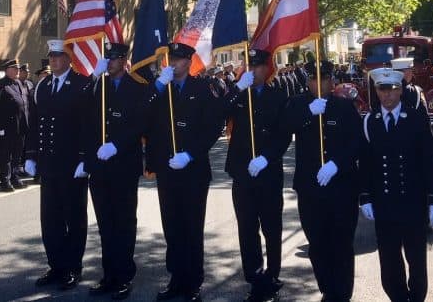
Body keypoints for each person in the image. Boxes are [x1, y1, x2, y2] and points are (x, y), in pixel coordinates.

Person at [145, 42, 223, 302]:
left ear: (189, 62)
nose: (173, 63)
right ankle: (176, 278)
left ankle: (193, 282)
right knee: (172, 226)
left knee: (191, 227)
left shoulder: (202, 88)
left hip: (193, 171)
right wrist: (157, 86)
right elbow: (141, 115)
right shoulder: (160, 89)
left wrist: (190, 153)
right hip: (167, 170)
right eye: (171, 59)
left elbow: (213, 127)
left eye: (178, 60)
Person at [359, 68, 433, 302]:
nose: (387, 96)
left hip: (413, 203)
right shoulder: (369, 122)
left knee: (416, 259)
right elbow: (365, 164)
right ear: (376, 91)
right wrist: (364, 196)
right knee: (389, 261)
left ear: (400, 90)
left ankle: (416, 298)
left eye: (393, 90)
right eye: (382, 90)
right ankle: (397, 297)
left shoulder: (416, 118)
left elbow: (429, 161)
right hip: (384, 204)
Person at [282, 60, 362, 302]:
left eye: (324, 78)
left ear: (332, 81)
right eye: (314, 78)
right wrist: (308, 113)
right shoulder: (297, 104)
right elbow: (284, 127)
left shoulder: (344, 107)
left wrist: (337, 163)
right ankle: (327, 289)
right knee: (317, 242)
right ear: (308, 81)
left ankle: (342, 294)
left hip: (342, 187)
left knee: (342, 242)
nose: (319, 83)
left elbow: (358, 141)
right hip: (310, 188)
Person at [25, 39, 94, 291]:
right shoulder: (42, 86)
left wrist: (86, 158)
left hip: (72, 164)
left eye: (58, 57)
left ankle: (73, 267)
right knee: (50, 218)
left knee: (73, 217)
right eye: (51, 57)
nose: (54, 61)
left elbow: (89, 126)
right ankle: (56, 265)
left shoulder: (82, 85)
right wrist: (31, 155)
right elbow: (35, 123)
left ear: (69, 59)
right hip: (49, 164)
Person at [224, 49, 291, 302]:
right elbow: (219, 113)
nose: (253, 70)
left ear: (268, 68)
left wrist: (267, 157)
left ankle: (272, 275)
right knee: (247, 227)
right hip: (242, 172)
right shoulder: (239, 92)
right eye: (249, 65)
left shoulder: (278, 95)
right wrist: (237, 89)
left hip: (268, 171)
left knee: (272, 227)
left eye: (258, 66)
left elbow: (283, 133)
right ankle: (254, 276)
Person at [84, 43, 146, 300]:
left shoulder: (137, 87)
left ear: (124, 60)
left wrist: (117, 144)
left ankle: (124, 275)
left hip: (124, 166)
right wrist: (93, 77)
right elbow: (81, 110)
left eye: (114, 58)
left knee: (123, 222)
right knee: (105, 223)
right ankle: (108, 274)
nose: (109, 62)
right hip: (100, 167)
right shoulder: (99, 85)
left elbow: (141, 121)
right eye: (107, 58)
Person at [0, 59, 30, 192]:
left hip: (20, 127)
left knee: (17, 154)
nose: (17, 71)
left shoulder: (19, 83)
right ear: (7, 70)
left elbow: (24, 105)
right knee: (6, 156)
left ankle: (14, 177)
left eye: (18, 69)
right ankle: (5, 180)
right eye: (15, 69)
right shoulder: (0, 85)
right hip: (7, 128)